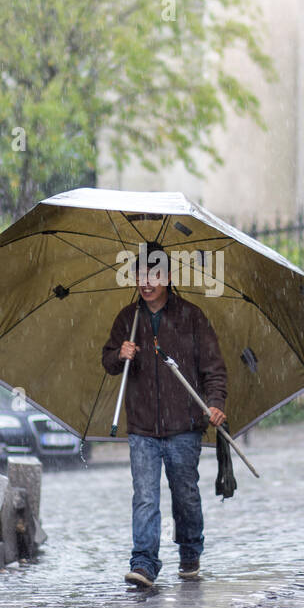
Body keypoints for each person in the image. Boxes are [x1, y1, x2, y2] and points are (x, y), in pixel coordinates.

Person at [101, 242, 227, 587]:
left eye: (154, 274)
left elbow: (214, 368)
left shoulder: (191, 317)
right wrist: (119, 354)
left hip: (183, 426)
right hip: (142, 427)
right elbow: (108, 361)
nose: (146, 281)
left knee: (185, 494)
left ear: (168, 277)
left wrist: (215, 402)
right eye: (141, 274)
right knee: (144, 496)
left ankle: (189, 550)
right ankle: (144, 562)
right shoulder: (128, 319)